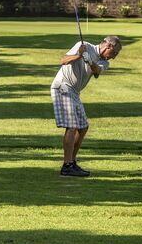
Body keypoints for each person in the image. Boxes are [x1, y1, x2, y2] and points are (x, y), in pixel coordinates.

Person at [51, 35, 122, 177]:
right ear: (108, 46)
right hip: (63, 86)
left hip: (74, 92)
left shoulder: (104, 62)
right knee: (72, 126)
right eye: (114, 53)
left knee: (83, 127)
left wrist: (89, 60)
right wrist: (79, 55)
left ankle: (72, 162)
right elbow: (63, 61)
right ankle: (67, 166)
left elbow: (96, 71)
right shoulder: (83, 45)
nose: (113, 57)